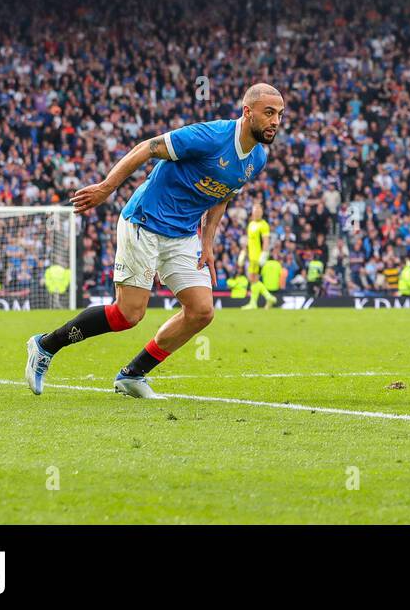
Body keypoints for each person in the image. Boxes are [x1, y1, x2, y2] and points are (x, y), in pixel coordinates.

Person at [23, 84, 283, 399]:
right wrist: (107, 188)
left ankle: (133, 375)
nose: (275, 121)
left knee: (201, 311)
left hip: (185, 234)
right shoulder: (210, 137)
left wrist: (210, 244)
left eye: (280, 115)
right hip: (145, 221)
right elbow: (148, 147)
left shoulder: (257, 158)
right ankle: (45, 345)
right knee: (128, 315)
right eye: (269, 112)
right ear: (247, 112)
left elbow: (223, 195)